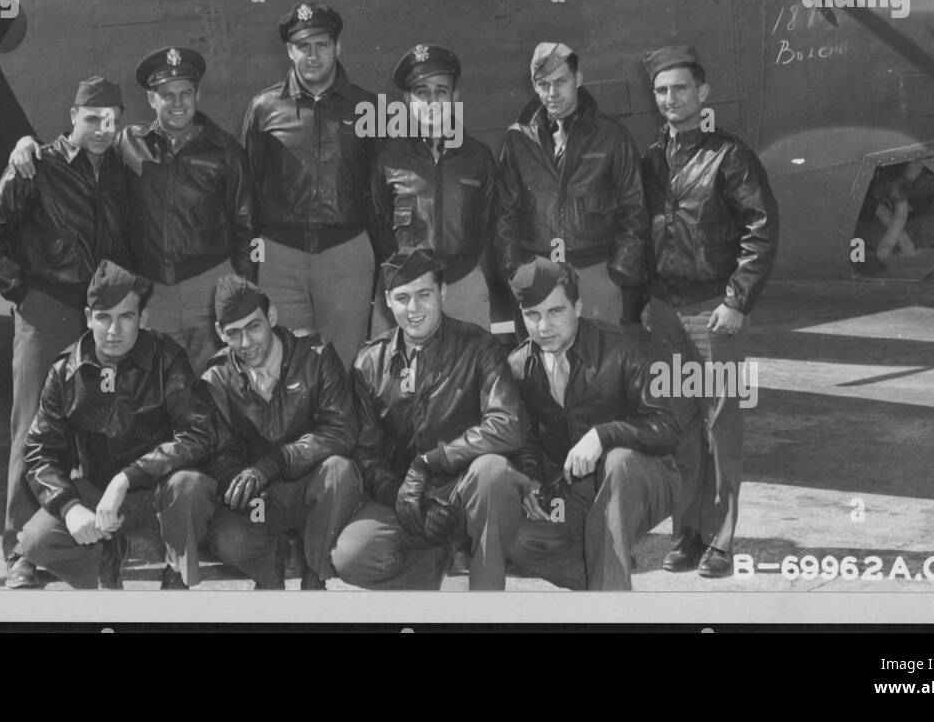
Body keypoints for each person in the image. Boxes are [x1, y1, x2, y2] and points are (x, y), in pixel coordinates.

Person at [0, 76, 130, 589]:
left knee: (91, 432)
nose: (101, 129)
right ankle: (21, 553)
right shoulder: (38, 165)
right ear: (73, 115)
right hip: (49, 308)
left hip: (99, 317)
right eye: (91, 118)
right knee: (34, 428)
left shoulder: (121, 172)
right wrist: (22, 292)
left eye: (111, 120)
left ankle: (68, 539)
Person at [9, 46, 256, 376]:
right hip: (152, 292)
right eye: (167, 95)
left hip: (208, 286)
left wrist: (243, 297)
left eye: (186, 93)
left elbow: (245, 227)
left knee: (214, 386)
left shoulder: (227, 152)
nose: (178, 103)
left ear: (198, 94)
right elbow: (82, 146)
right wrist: (28, 145)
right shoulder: (128, 143)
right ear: (152, 100)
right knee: (156, 388)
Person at [641, 44, 778, 579]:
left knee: (722, 427)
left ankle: (721, 540)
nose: (670, 99)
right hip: (667, 311)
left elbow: (760, 228)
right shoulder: (651, 159)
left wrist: (737, 301)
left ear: (703, 94)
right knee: (680, 428)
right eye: (661, 90)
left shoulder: (730, 155)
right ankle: (687, 534)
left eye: (679, 88)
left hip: (713, 313)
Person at [332, 248, 525, 590]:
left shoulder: (479, 345)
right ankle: (433, 562)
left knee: (492, 471)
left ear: (443, 293)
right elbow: (365, 452)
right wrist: (404, 499)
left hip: (467, 488)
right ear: (387, 302)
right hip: (409, 492)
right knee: (351, 556)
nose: (414, 308)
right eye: (403, 298)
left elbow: (508, 424)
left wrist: (430, 462)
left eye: (424, 295)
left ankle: (486, 603)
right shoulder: (369, 362)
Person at [19, 260, 220, 590]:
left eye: (126, 317)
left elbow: (200, 433)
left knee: (190, 487)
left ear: (143, 318)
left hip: (159, 491)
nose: (113, 331)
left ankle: (176, 571)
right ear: (88, 318)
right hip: (97, 495)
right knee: (36, 541)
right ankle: (105, 554)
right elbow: (40, 453)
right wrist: (69, 508)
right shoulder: (65, 372)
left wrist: (127, 478)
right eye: (103, 318)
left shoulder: (167, 359)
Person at [505, 259, 680, 590]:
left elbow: (668, 427)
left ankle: (608, 608)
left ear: (578, 306)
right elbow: (524, 437)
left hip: (645, 478)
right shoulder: (518, 366)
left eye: (555, 312)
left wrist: (605, 434)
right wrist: (529, 478)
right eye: (532, 315)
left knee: (618, 460)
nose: (543, 327)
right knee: (520, 540)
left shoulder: (624, 346)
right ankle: (606, 581)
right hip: (575, 490)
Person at [202, 275, 363, 590]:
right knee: (226, 538)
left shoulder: (316, 356)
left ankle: (315, 573)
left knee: (340, 471)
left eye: (253, 327)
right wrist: (236, 481)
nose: (246, 344)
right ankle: (268, 564)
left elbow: (342, 429)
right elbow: (219, 453)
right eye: (234, 334)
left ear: (271, 317)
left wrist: (275, 461)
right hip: (262, 501)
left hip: (310, 490)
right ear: (220, 333)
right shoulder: (215, 379)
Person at [240, 3, 378, 367]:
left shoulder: (367, 106)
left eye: (322, 45)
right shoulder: (264, 107)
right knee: (285, 363)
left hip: (346, 253)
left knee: (343, 364)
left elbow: (381, 189)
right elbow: (249, 189)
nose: (313, 55)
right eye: (303, 46)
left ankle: (342, 427)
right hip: (281, 256)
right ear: (290, 51)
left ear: (338, 48)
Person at [494, 42, 648, 326]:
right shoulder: (517, 139)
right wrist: (513, 271)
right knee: (547, 366)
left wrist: (618, 275)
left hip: (596, 273)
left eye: (561, 82)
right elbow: (503, 212)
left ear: (578, 79)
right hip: (539, 274)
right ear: (534, 85)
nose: (552, 93)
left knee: (600, 363)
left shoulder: (613, 137)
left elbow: (635, 210)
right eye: (543, 84)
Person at [370, 43, 495, 332]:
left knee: (474, 371)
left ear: (455, 97)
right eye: (422, 92)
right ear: (407, 99)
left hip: (462, 285)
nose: (432, 101)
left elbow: (486, 223)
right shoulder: (388, 158)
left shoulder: (478, 157)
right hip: (406, 286)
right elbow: (378, 224)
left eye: (441, 91)